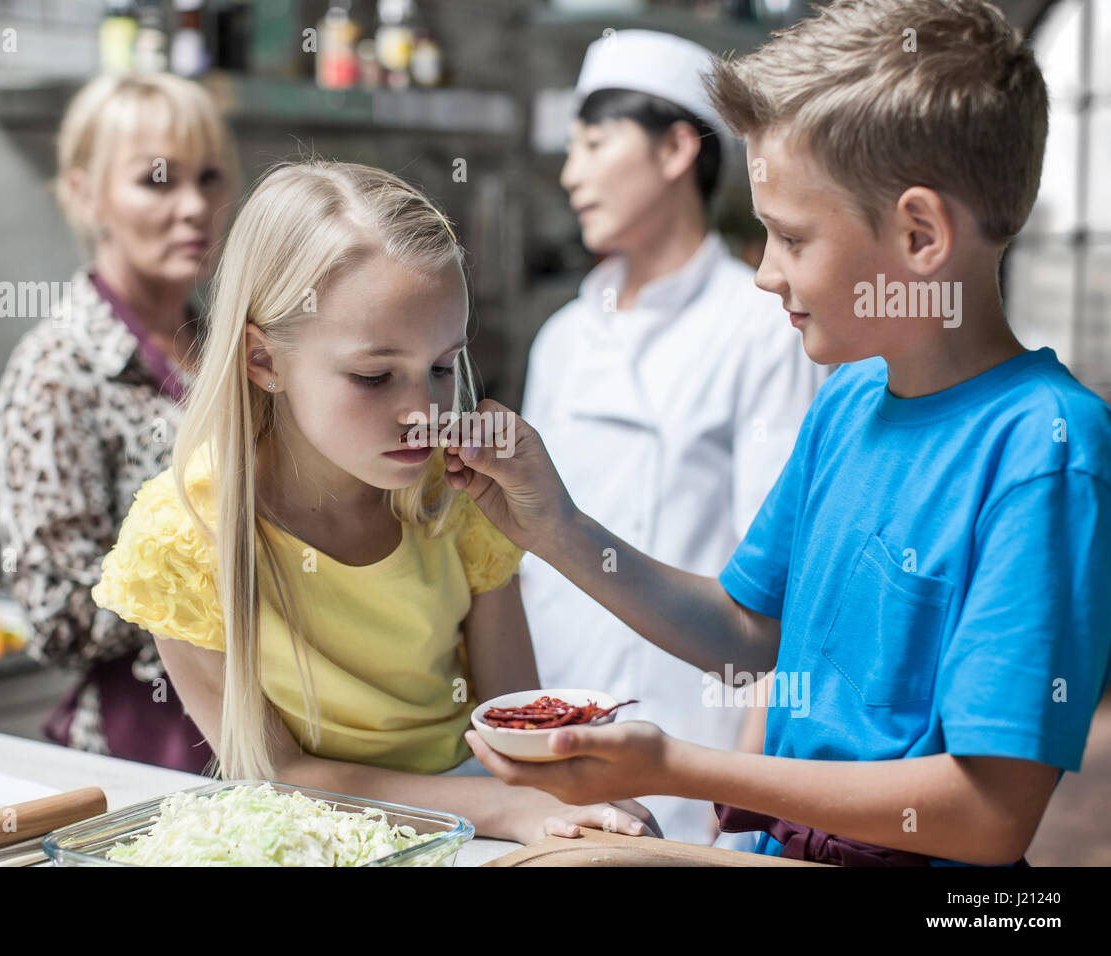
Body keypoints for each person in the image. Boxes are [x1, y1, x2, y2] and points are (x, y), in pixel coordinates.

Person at [443, 0, 1111, 866]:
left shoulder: (1044, 451)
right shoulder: (851, 400)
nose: (765, 273)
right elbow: (747, 628)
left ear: (919, 235)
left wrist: (682, 767)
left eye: (791, 237)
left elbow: (988, 816)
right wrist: (556, 529)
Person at [89, 161, 660, 845]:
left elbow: (512, 725)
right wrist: (507, 810)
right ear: (264, 360)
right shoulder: (180, 539)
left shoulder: (459, 497)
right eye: (374, 375)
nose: (423, 412)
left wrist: (582, 798)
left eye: (444, 367)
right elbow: (275, 772)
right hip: (316, 841)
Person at [520, 29, 827, 847]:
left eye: (593, 143)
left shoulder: (763, 325)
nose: (570, 173)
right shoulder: (562, 338)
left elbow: (779, 594)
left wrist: (749, 814)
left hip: (697, 756)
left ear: (676, 149)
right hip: (555, 747)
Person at [0, 74, 237, 772]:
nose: (195, 207)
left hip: (271, 736)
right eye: (158, 182)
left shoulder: (237, 348)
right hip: (144, 753)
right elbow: (56, 614)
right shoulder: (56, 372)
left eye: (211, 178)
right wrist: (232, 577)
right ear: (85, 195)